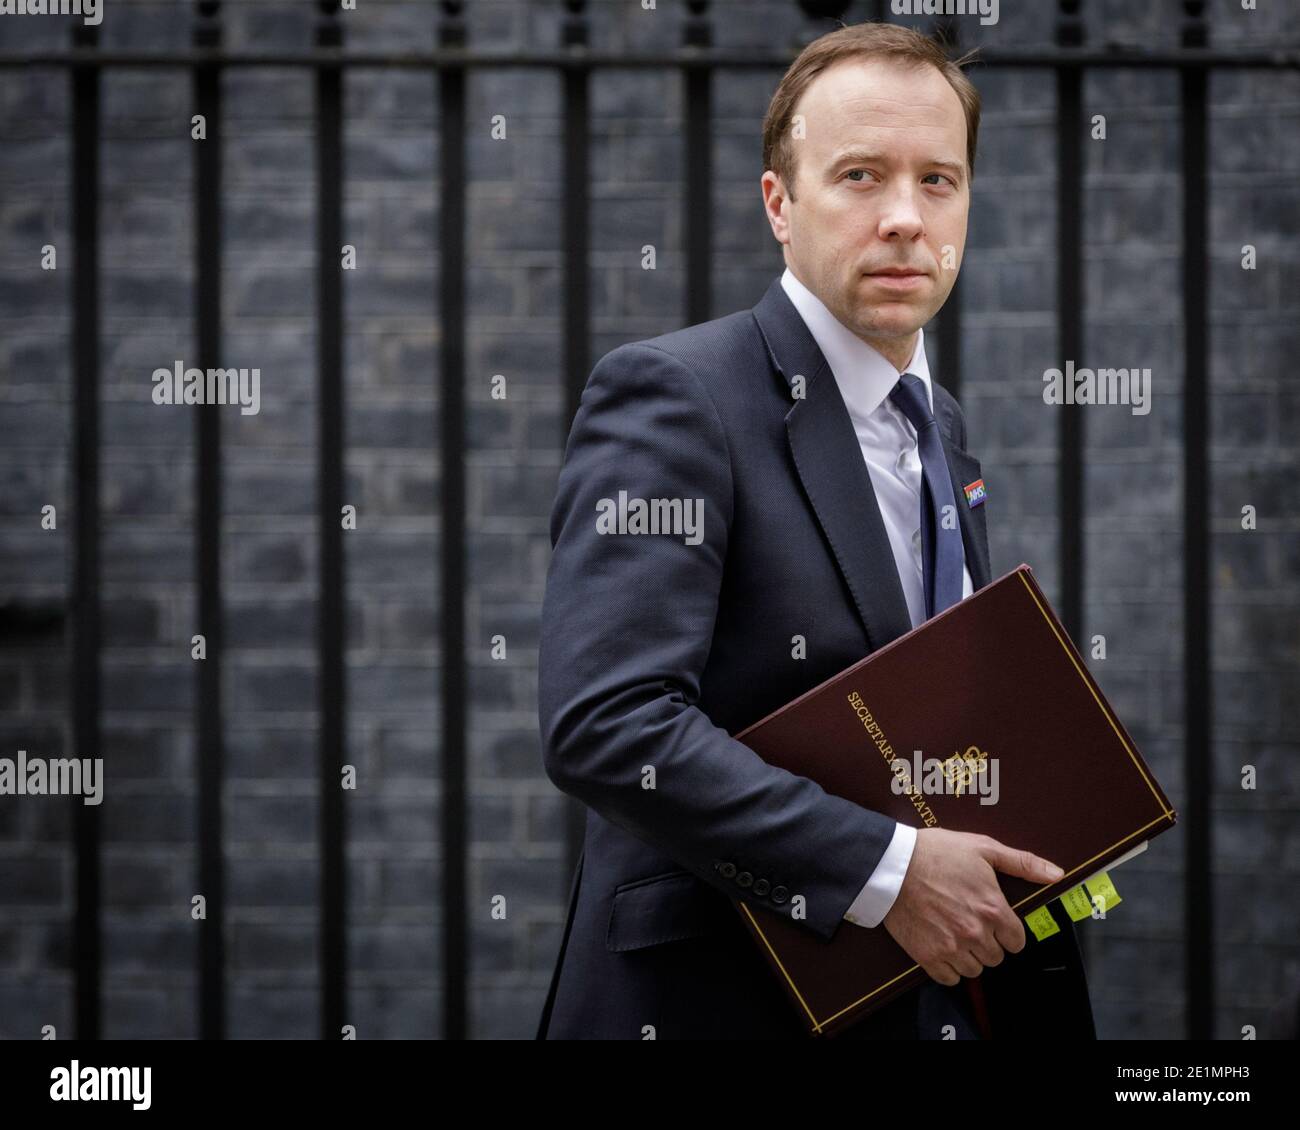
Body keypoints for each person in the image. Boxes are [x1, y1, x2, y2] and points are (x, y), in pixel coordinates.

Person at [535, 20, 1095, 1040]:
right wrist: (887, 873)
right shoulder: (675, 395)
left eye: (938, 180)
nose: (902, 218)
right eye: (858, 176)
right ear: (778, 205)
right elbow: (607, 725)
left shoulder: (938, 427)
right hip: (716, 1005)